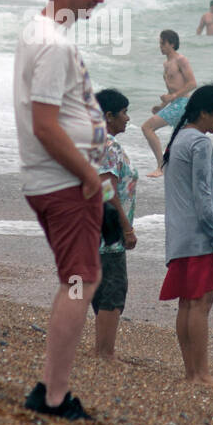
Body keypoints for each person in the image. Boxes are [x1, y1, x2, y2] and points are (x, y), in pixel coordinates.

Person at [15, 0, 108, 419]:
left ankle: (50, 389)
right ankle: (53, 396)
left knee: (79, 280)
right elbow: (46, 125)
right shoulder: (52, 44)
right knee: (81, 282)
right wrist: (89, 174)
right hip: (64, 182)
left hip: (53, 179)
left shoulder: (38, 32)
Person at [162, 84, 213, 390]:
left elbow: (197, 191)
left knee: (186, 304)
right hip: (200, 237)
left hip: (180, 235)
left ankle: (191, 372)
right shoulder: (200, 144)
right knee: (200, 304)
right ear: (204, 112)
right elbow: (202, 197)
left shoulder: (179, 139)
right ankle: (202, 375)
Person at [90, 88, 138, 360]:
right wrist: (126, 229)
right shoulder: (109, 146)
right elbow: (107, 189)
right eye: (124, 113)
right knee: (112, 289)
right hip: (107, 231)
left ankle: (100, 347)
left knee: (101, 287)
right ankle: (104, 352)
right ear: (108, 116)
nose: (128, 118)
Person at [141, 30, 197, 177]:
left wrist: (172, 97)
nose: (160, 47)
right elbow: (172, 90)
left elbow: (192, 83)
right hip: (176, 104)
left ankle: (160, 167)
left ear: (172, 44)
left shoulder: (181, 60)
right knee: (178, 142)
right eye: (159, 43)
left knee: (147, 127)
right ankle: (180, 172)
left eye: (163, 43)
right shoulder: (166, 64)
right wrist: (161, 107)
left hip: (183, 103)